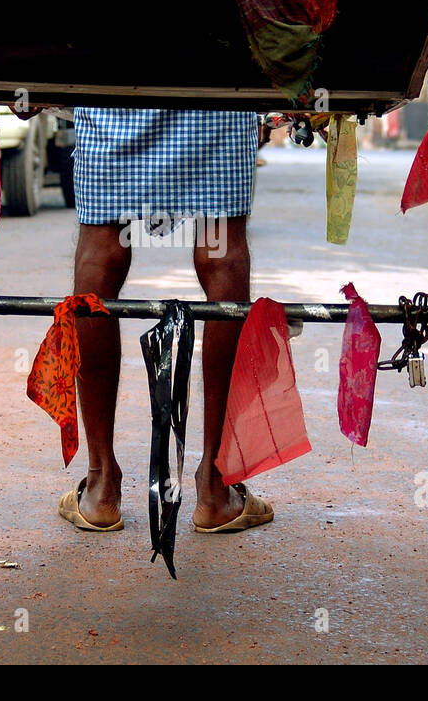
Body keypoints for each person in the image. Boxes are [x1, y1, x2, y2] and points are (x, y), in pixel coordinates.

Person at [58, 107, 274, 533]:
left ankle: (101, 487)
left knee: (101, 248)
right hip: (215, 93)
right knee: (221, 250)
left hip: (115, 91)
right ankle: (214, 486)